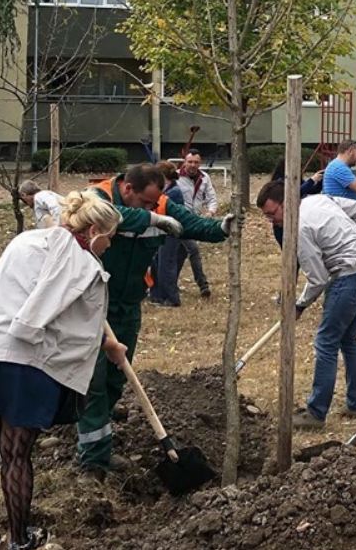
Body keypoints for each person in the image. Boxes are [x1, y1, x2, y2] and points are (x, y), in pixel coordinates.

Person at [0, 191, 125, 550]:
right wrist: (102, 346)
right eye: (109, 237)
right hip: (23, 360)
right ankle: (19, 539)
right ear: (94, 230)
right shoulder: (82, 265)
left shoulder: (26, 241)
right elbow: (60, 325)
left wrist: (107, 342)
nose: (109, 246)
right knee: (17, 453)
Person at [77, 164, 233, 476]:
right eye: (147, 203)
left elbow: (188, 224)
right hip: (93, 306)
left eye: (155, 204)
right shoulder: (99, 197)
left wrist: (221, 229)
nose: (153, 207)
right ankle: (92, 459)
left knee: (115, 377)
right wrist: (153, 219)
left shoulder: (157, 202)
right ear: (128, 190)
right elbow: (116, 217)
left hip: (129, 305)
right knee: (91, 381)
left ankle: (98, 439)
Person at [256, 180, 356, 430]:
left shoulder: (299, 228)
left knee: (326, 341)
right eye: (267, 216)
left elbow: (318, 278)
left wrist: (299, 305)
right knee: (348, 340)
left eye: (273, 214)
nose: (272, 221)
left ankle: (315, 413)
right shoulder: (319, 199)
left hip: (350, 275)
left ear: (287, 202)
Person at [176, 149, 219, 298]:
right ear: (184, 162)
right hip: (179, 221)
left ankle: (169, 284)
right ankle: (203, 285)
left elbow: (212, 198)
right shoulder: (175, 177)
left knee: (181, 253)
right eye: (190, 162)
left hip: (195, 221)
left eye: (196, 162)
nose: (193, 165)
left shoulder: (204, 178)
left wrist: (210, 212)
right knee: (193, 249)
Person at [148, 162, 186, 308]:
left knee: (166, 265)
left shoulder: (173, 192)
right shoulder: (166, 189)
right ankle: (156, 295)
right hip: (161, 231)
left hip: (171, 232)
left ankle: (172, 298)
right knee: (156, 263)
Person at [269, 156, 325, 247]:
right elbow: (293, 194)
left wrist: (320, 181)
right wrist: (311, 180)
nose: (300, 170)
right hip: (282, 221)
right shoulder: (279, 182)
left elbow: (311, 190)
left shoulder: (296, 179)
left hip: (297, 216)